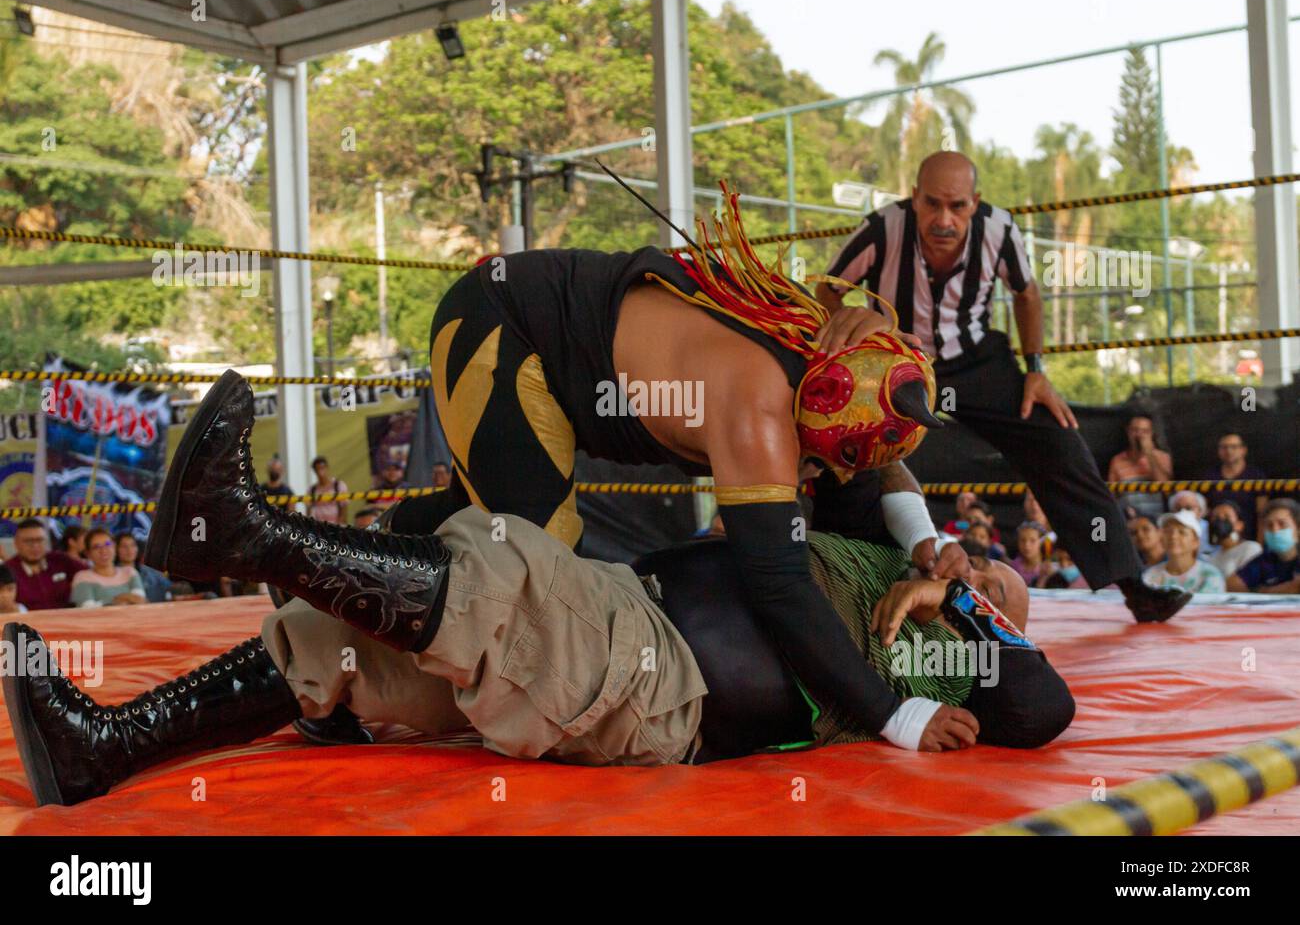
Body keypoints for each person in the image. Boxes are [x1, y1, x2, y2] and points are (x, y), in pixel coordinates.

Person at [3, 374, 1072, 805]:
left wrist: (963, 606)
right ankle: (110, 744)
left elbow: (1042, 706)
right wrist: (932, 542)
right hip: (621, 623)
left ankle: (242, 530)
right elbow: (874, 444)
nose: (988, 577)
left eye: (1003, 594)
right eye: (988, 569)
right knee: (334, 641)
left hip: (663, 685)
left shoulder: (941, 657)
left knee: (499, 565)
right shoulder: (879, 545)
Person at [372, 190, 972, 753]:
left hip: (555, 347)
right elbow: (778, 585)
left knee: (478, 525)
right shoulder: (758, 404)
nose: (810, 474)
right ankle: (345, 636)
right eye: (817, 461)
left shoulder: (836, 350)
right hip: (505, 325)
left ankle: (368, 548)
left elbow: (874, 473)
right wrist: (893, 714)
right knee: (535, 571)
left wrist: (927, 541)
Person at [821, 151, 1187, 623]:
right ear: (914, 199)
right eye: (931, 204)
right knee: (857, 440)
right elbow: (829, 287)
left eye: (956, 206)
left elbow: (1026, 293)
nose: (943, 219)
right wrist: (861, 339)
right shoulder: (883, 228)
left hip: (978, 362)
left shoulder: (1000, 229)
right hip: (899, 360)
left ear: (975, 203)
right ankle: (848, 576)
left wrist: (1035, 369)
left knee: (1058, 438)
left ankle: (1133, 583)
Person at [3, 519, 85, 611]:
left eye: (40, 540)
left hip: (69, 621)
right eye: (28, 541)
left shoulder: (60, 560)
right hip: (28, 623)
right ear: (16, 543)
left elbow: (92, 572)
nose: (35, 546)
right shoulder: (7, 569)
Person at [1200, 433, 1268, 540]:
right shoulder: (1209, 476)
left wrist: (1260, 544)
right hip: (1216, 540)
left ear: (1243, 450)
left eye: (1234, 447)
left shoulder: (1256, 476)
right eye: (1224, 447)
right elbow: (1203, 511)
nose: (1229, 451)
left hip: (1249, 538)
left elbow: (1262, 514)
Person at [1142, 510, 1225, 595]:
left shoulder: (1210, 575)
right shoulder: (1150, 575)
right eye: (1167, 531)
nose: (1173, 536)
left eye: (1182, 532)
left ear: (1195, 542)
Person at [1227, 499, 1300, 594]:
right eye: (1269, 525)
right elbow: (1232, 585)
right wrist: (1278, 590)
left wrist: (1261, 590)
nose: (1275, 530)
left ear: (1298, 529)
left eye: (1282, 524)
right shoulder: (1266, 559)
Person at [70, 528, 146, 608]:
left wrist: (106, 603)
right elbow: (87, 610)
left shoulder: (129, 572)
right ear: (88, 553)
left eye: (107, 544)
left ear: (114, 547)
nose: (103, 550)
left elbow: (140, 602)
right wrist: (120, 599)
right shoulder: (83, 577)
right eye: (96, 547)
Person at [1206, 500, 1262, 579]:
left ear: (1239, 525)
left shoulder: (1250, 548)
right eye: (1216, 517)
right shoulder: (1213, 555)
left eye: (1227, 517)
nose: (1220, 520)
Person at [115, 532, 173, 603]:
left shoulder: (149, 571)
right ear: (116, 550)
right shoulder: (112, 574)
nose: (129, 550)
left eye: (133, 545)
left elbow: (169, 587)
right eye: (124, 546)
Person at [306, 456, 348, 525]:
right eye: (317, 469)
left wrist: (340, 527)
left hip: (336, 526)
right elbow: (309, 512)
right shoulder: (311, 490)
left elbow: (344, 509)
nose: (320, 472)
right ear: (315, 471)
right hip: (319, 528)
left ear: (327, 468)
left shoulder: (339, 485)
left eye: (322, 468)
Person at [1168, 490, 1212, 555]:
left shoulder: (1211, 529)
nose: (1183, 512)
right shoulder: (1167, 531)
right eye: (1178, 508)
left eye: (1188, 508)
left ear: (1200, 511)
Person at [1009, 521, 1050, 586]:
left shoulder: (1048, 568)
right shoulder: (1013, 568)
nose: (1026, 545)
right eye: (1022, 540)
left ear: (1041, 542)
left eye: (1032, 540)